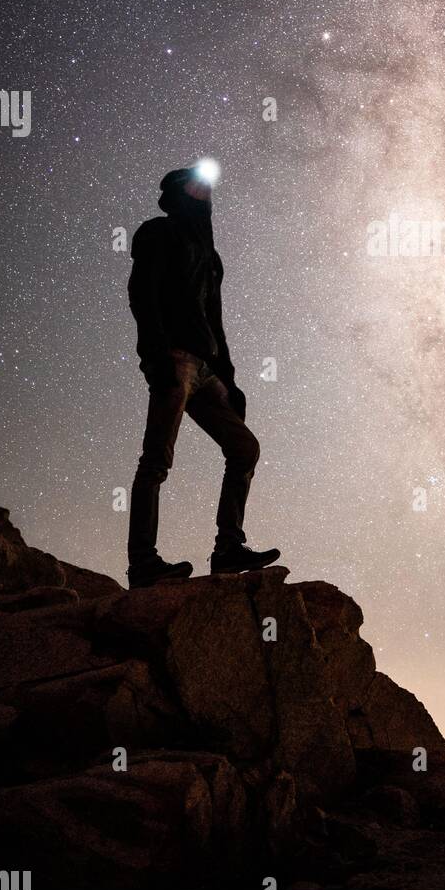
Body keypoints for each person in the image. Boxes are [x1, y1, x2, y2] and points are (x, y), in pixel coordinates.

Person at [125, 162, 279, 588]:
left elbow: (216, 322)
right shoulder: (156, 232)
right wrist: (154, 356)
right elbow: (142, 294)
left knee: (244, 448)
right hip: (172, 358)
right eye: (194, 187)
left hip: (207, 370)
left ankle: (228, 548)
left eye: (206, 189)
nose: (203, 195)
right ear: (176, 193)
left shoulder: (212, 258)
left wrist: (229, 380)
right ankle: (143, 563)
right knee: (156, 460)